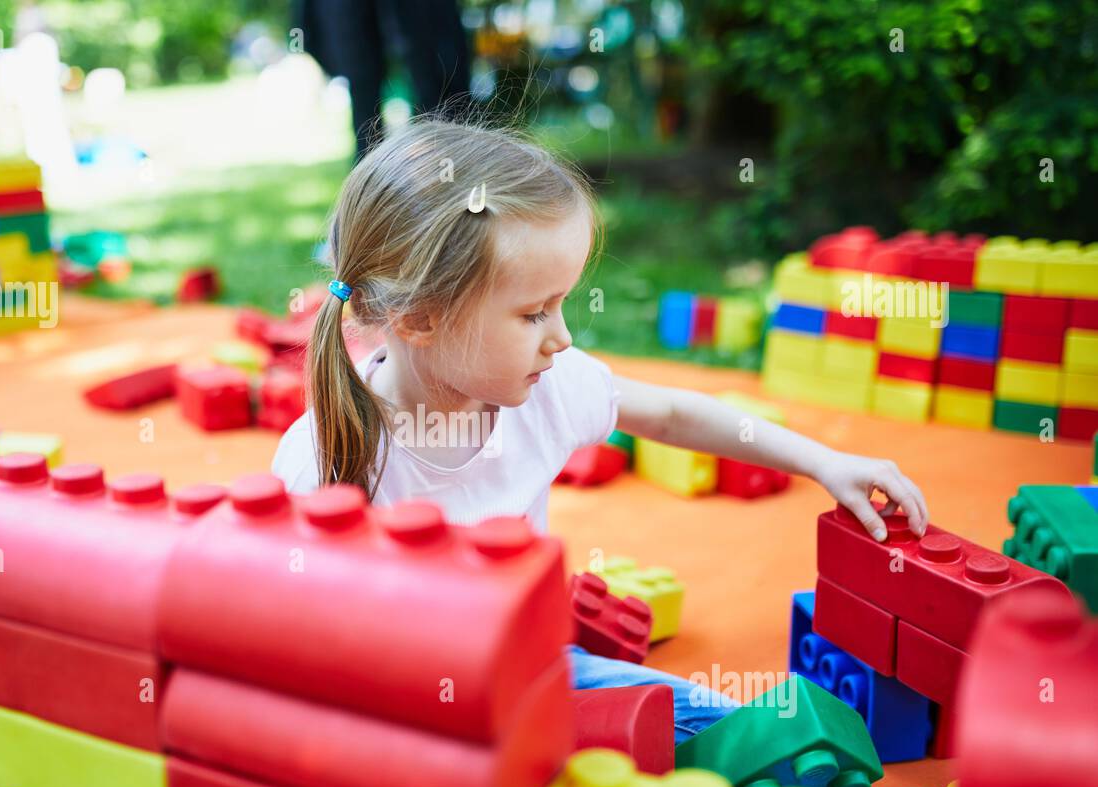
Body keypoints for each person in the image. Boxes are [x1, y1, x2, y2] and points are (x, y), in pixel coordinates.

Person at [272, 118, 932, 742]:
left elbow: (673, 414)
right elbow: (294, 640)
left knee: (739, 736)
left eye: (560, 305)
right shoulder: (327, 462)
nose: (561, 337)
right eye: (533, 313)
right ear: (418, 321)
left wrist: (823, 462)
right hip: (402, 712)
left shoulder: (547, 389)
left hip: (530, 670)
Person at [294, 0, 472, 160]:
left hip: (426, 33)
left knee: (434, 96)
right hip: (355, 26)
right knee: (365, 108)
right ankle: (370, 183)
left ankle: (445, 165)